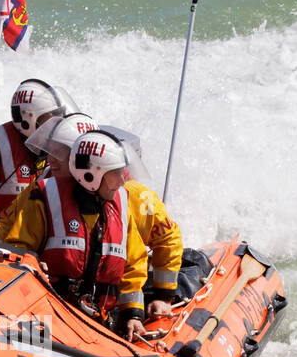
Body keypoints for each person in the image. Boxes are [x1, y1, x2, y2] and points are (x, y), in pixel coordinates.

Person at [0, 129, 155, 342]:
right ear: (91, 174)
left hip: (99, 323)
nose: (122, 182)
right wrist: (34, 267)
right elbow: (18, 250)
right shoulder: (44, 197)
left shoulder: (121, 204)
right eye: (116, 174)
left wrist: (133, 314)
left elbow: (134, 264)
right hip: (47, 316)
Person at [18, 116, 185, 319]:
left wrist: (148, 306)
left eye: (59, 153)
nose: (124, 180)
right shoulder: (42, 194)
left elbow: (140, 259)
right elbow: (13, 245)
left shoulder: (129, 199)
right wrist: (30, 264)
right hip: (45, 309)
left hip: (98, 319)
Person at [0, 79, 75, 237]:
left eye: (61, 117)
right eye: (52, 119)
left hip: (23, 242)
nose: (58, 126)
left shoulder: (53, 151)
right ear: (27, 120)